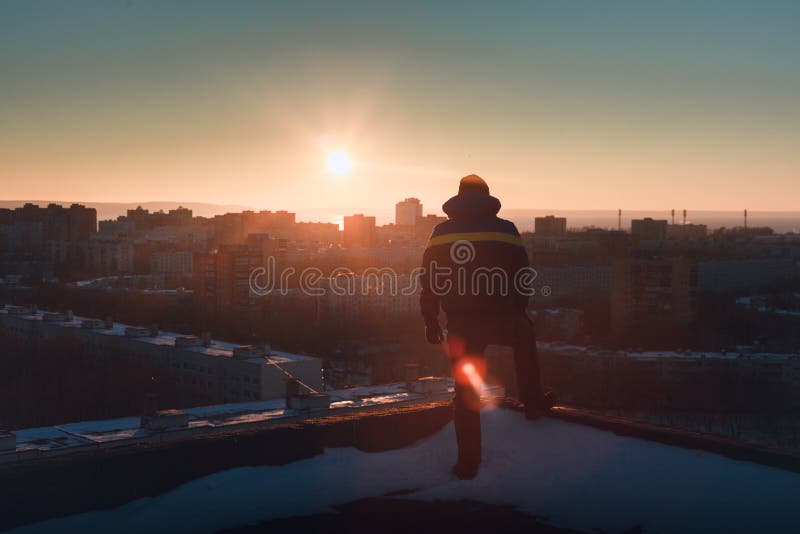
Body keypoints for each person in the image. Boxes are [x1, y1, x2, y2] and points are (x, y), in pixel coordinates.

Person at [420, 174, 550, 480]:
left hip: (462, 323)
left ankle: (468, 463)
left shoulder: (442, 232)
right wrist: (518, 311)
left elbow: (430, 280)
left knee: (466, 393)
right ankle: (533, 403)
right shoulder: (506, 229)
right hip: (503, 316)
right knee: (525, 339)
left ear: (458, 198)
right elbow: (521, 275)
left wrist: (431, 321)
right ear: (488, 197)